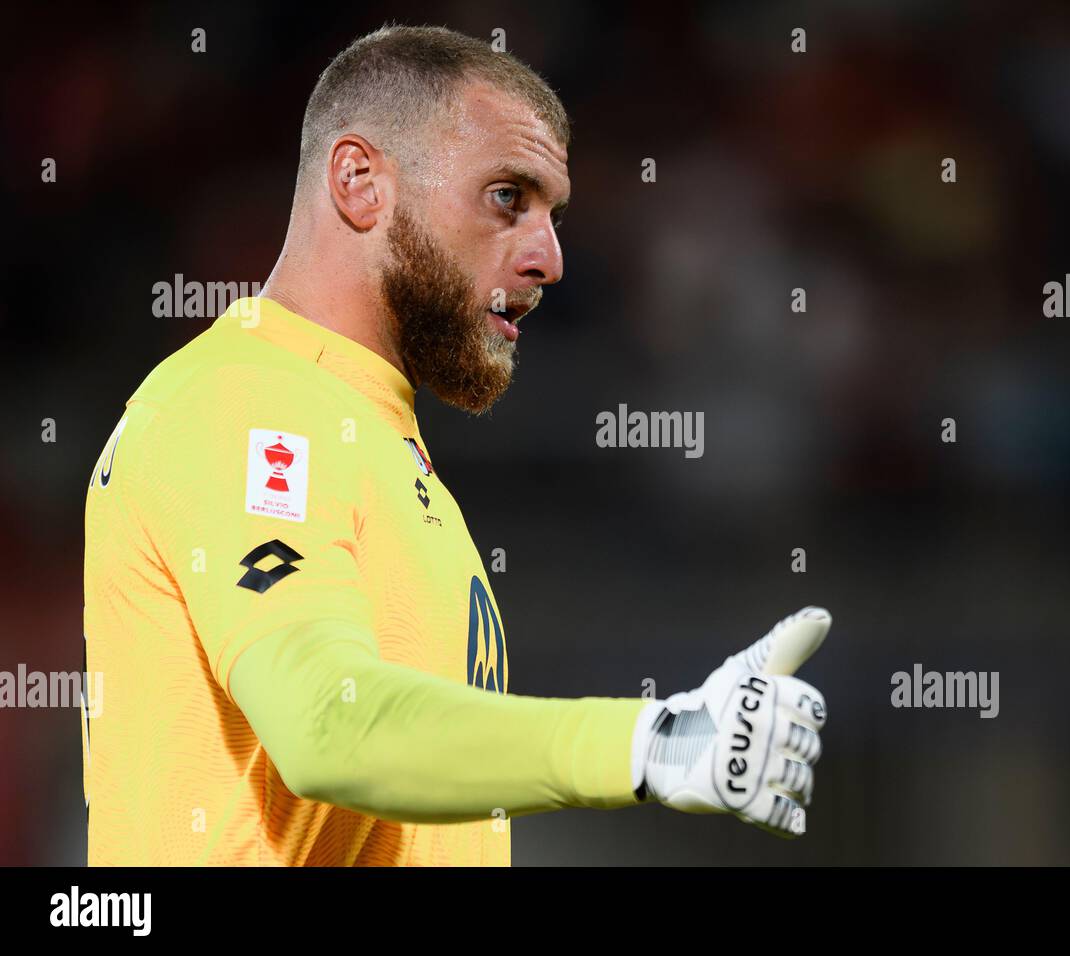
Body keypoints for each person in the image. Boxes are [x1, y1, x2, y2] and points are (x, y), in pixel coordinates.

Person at [82, 24, 829, 866]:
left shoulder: (370, 433)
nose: (548, 257)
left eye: (553, 213)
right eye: (508, 196)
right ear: (360, 184)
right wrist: (651, 742)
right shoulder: (245, 402)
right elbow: (329, 724)